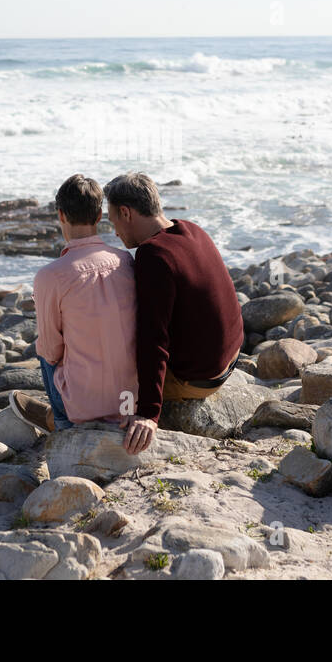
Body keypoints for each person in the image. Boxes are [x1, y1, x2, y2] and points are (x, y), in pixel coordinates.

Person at [104, 172, 244, 455]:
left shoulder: (153, 255)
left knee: (106, 376)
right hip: (231, 357)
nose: (115, 231)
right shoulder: (191, 229)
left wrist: (148, 414)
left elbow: (153, 339)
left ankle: (56, 418)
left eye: (113, 221)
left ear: (125, 212)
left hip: (200, 378)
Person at [9, 174, 138, 432]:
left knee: (45, 347)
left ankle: (59, 422)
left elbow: (51, 351)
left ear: (61, 216)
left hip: (83, 409)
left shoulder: (50, 276)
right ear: (99, 216)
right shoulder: (126, 261)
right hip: (130, 403)